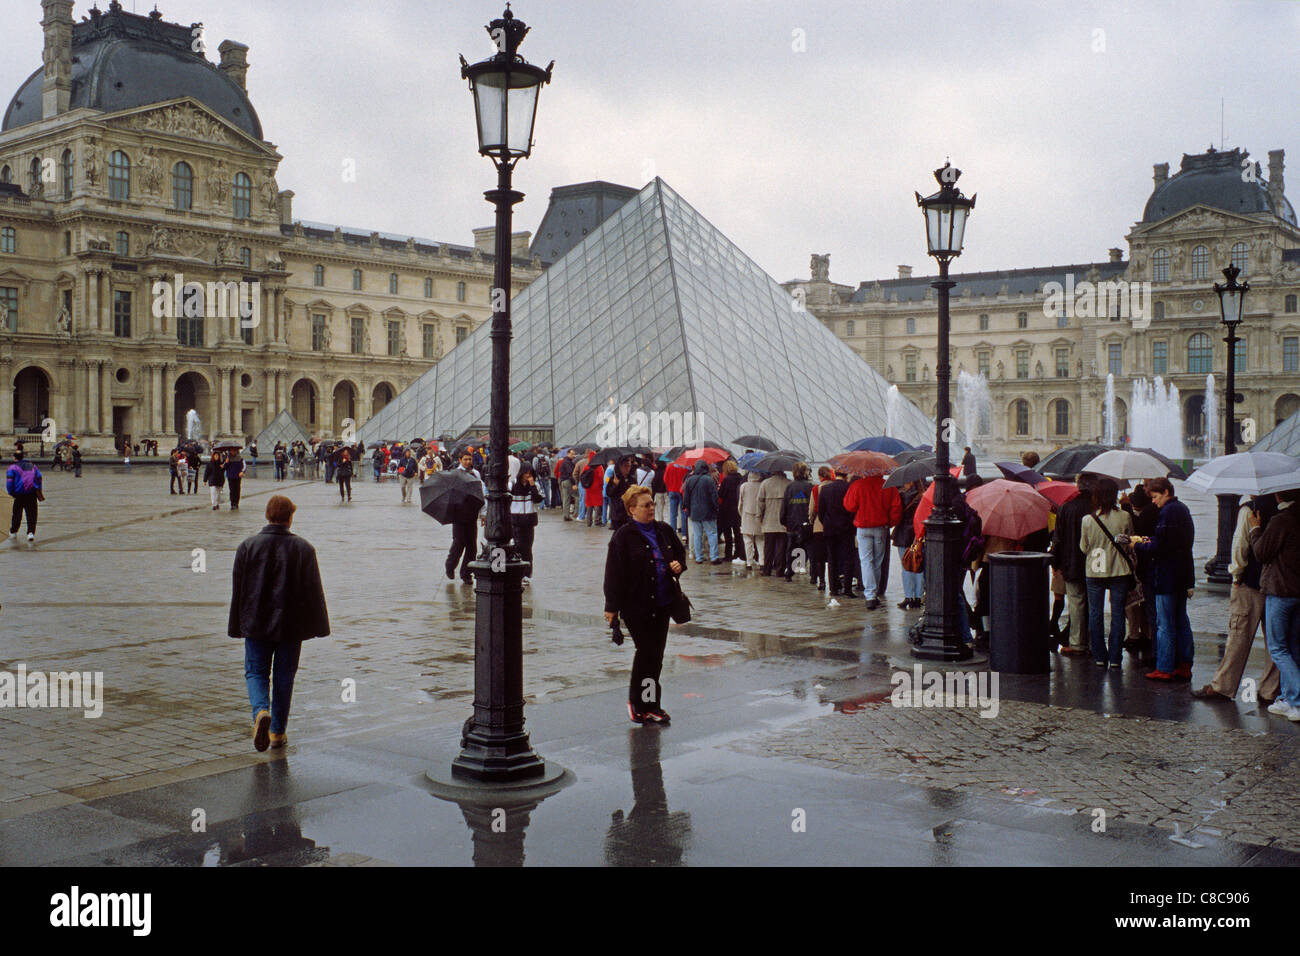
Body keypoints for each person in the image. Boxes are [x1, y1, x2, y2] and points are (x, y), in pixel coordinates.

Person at [228, 495, 330, 751]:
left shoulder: (247, 546)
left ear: (267, 515)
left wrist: (236, 625)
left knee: (255, 672)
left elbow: (238, 591)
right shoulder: (304, 548)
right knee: (285, 676)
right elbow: (313, 591)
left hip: (255, 623)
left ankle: (261, 711)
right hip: (290, 625)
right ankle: (277, 733)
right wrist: (319, 626)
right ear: (289, 518)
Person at [604, 486, 687, 725]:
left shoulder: (663, 530)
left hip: (662, 603)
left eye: (651, 504)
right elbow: (613, 574)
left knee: (656, 656)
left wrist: (678, 566)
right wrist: (611, 607)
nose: (651, 508)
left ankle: (652, 705)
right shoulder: (623, 536)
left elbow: (680, 556)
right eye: (645, 505)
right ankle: (638, 703)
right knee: (646, 653)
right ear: (632, 510)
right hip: (635, 605)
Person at [1193, 494, 1281, 704]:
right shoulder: (1285, 512)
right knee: (1276, 642)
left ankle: (1224, 686)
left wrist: (1236, 574)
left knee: (1239, 635)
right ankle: (1269, 690)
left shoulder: (1249, 510)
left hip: (1249, 583)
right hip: (1278, 586)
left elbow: (1240, 546)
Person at [1132, 476, 1196, 682]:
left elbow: (1160, 546)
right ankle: (1185, 664)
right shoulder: (1183, 509)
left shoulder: (1168, 512)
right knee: (1181, 621)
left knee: (1164, 623)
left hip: (1166, 576)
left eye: (1156, 496)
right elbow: (1176, 542)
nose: (1153, 501)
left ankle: (1165, 667)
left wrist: (1138, 544)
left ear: (1166, 492)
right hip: (1182, 573)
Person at [1248, 489, 1300, 720]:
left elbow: (1261, 552)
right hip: (1298, 592)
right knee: (1293, 647)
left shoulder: (1281, 520)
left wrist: (1255, 529)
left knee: (1278, 647)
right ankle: (1288, 699)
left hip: (1280, 591)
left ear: (1279, 496)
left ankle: (1297, 701)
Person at [1079, 476, 1135, 668]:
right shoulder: (1124, 517)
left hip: (1095, 570)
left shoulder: (1088, 520)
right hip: (1118, 569)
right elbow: (1127, 542)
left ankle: (1099, 656)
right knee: (1118, 614)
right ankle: (1115, 658)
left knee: (1095, 613)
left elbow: (1084, 547)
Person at [1050, 473, 1096, 657]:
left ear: (1078, 485)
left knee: (1076, 603)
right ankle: (1095, 643)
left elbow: (1058, 538)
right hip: (1096, 564)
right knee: (1094, 604)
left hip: (1072, 563)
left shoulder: (1067, 508)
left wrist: (1056, 562)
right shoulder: (1098, 507)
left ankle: (1077, 643)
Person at [843, 471, 902, 609]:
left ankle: (870, 595)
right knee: (877, 561)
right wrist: (890, 523)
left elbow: (849, 506)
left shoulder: (858, 485)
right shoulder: (889, 486)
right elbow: (896, 507)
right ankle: (873, 593)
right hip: (881, 527)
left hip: (863, 527)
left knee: (866, 561)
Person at [446, 451, 483, 582]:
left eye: (469, 459)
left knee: (472, 546)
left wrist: (483, 513)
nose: (468, 462)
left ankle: (467, 573)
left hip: (472, 513)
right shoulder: (455, 474)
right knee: (458, 543)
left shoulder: (476, 474)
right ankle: (450, 566)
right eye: (465, 459)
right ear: (460, 460)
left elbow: (481, 493)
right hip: (458, 514)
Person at [818, 470, 856, 598]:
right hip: (847, 528)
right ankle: (847, 588)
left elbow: (821, 512)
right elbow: (853, 509)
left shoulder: (825, 489)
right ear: (846, 474)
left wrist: (826, 522)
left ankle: (833, 588)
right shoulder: (849, 488)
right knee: (848, 559)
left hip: (830, 528)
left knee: (832, 558)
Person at [681, 460, 721, 564]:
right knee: (711, 534)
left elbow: (686, 497)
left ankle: (698, 557)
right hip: (708, 512)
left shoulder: (689, 480)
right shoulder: (708, 480)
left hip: (694, 512)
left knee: (697, 535)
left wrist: (687, 508)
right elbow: (714, 496)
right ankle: (714, 557)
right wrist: (716, 507)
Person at [893, 479, 925, 609]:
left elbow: (896, 514)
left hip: (903, 534)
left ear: (910, 482)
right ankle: (918, 597)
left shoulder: (901, 496)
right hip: (918, 534)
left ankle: (908, 596)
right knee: (918, 565)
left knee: (906, 566)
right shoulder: (923, 497)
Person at [510, 466, 544, 585]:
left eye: (530, 473)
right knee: (517, 546)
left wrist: (532, 485)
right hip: (516, 520)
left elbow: (538, 500)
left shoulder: (535, 486)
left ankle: (526, 574)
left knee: (527, 548)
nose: (527, 476)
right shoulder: (513, 484)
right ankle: (517, 574)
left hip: (529, 521)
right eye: (525, 473)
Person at [780, 463, 814, 581]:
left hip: (792, 522)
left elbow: (785, 505)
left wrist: (783, 520)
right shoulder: (809, 486)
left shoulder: (790, 487)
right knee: (809, 549)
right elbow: (812, 506)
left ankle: (789, 571)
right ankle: (813, 576)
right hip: (806, 523)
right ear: (805, 472)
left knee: (791, 549)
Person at [758, 469, 792, 577]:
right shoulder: (789, 483)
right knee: (782, 548)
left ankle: (766, 570)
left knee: (768, 547)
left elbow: (760, 502)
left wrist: (759, 516)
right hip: (783, 522)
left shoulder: (765, 483)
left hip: (768, 520)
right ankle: (780, 570)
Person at [6, 448, 43, 546]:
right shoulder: (33, 466)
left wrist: (11, 492)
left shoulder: (12, 467)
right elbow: (39, 477)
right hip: (31, 493)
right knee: (32, 514)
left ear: (14, 458)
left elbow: (9, 482)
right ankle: (30, 533)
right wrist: (38, 489)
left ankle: (13, 532)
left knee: (17, 513)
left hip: (18, 494)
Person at [807, 467, 833, 590]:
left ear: (820, 476)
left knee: (820, 557)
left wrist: (811, 520)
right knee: (833, 555)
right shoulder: (834, 487)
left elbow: (812, 509)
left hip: (819, 526)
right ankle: (834, 581)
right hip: (833, 526)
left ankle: (821, 581)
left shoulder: (816, 489)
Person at [718, 460, 744, 563]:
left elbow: (721, 494)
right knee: (737, 533)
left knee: (727, 533)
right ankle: (738, 553)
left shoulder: (726, 480)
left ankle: (728, 555)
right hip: (737, 509)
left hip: (726, 510)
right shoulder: (741, 479)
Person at [738, 469, 764, 570]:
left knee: (747, 540)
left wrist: (741, 514)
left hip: (746, 515)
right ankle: (762, 562)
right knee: (760, 540)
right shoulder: (762, 485)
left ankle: (749, 563)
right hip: (759, 516)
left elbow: (740, 503)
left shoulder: (744, 486)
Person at [607, 456, 638, 532]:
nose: (628, 468)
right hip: (617, 513)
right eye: (625, 466)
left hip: (629, 513)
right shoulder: (614, 479)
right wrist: (614, 485)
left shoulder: (632, 479)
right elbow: (609, 493)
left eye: (629, 466)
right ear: (620, 467)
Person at [664, 460, 689, 539]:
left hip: (672, 490)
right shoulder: (685, 466)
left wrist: (669, 486)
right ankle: (684, 534)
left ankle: (673, 533)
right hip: (682, 492)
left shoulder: (669, 466)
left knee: (673, 514)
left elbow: (665, 479)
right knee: (683, 513)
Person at [583, 457, 605, 527]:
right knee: (597, 504)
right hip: (597, 488)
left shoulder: (586, 467)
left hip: (588, 488)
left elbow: (582, 476)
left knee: (589, 504)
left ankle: (588, 522)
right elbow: (601, 478)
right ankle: (597, 521)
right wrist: (601, 486)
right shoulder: (599, 467)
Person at [557, 449, 576, 520]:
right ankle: (576, 514)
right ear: (568, 454)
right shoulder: (568, 462)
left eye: (574, 454)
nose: (573, 456)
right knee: (577, 496)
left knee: (566, 499)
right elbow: (570, 473)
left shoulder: (564, 461)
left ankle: (566, 515)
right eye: (572, 454)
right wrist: (574, 483)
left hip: (563, 481)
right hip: (568, 481)